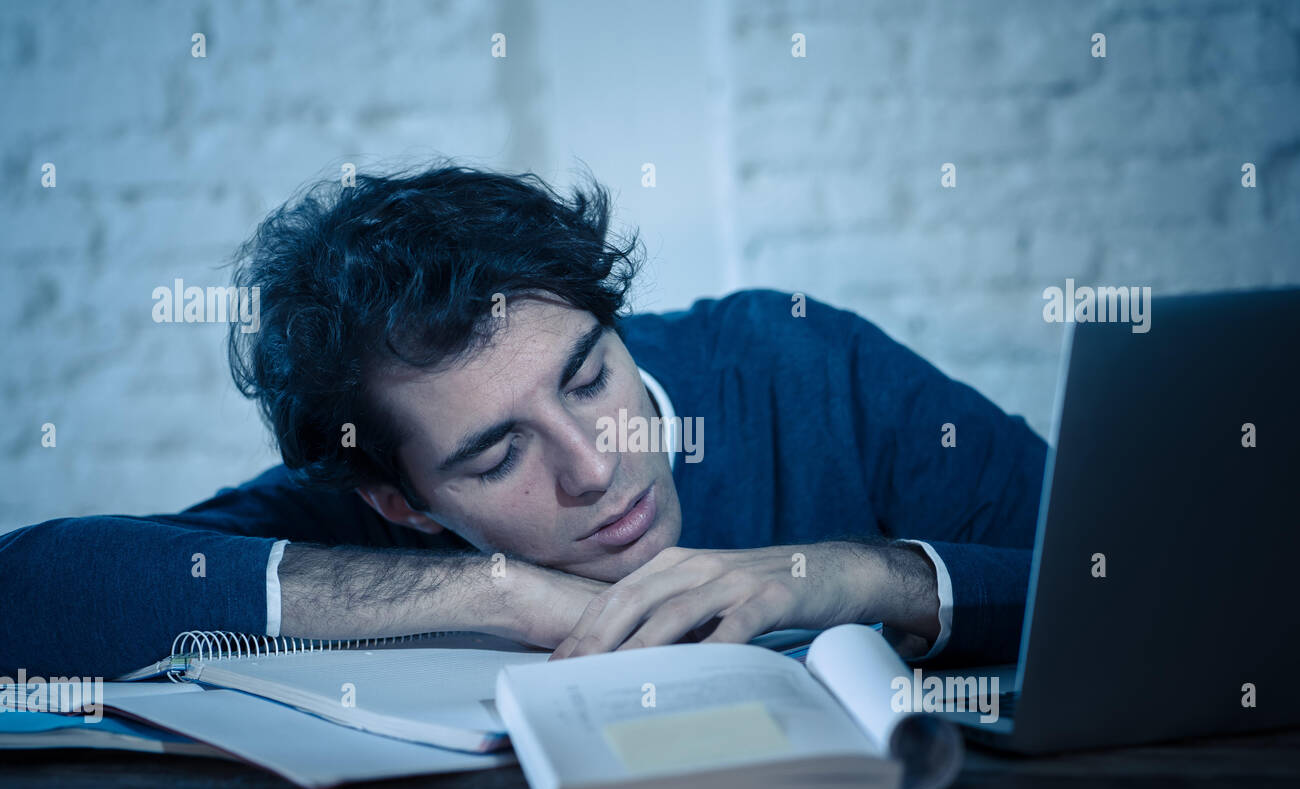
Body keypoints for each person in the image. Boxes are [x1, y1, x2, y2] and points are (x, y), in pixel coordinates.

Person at [0, 164, 1047, 680]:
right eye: (498, 453)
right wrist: (492, 591)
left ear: (613, 324)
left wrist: (849, 574)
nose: (597, 467)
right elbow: (30, 597)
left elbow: (1120, 562)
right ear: (402, 500)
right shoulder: (361, 515)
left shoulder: (798, 360)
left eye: (588, 377)